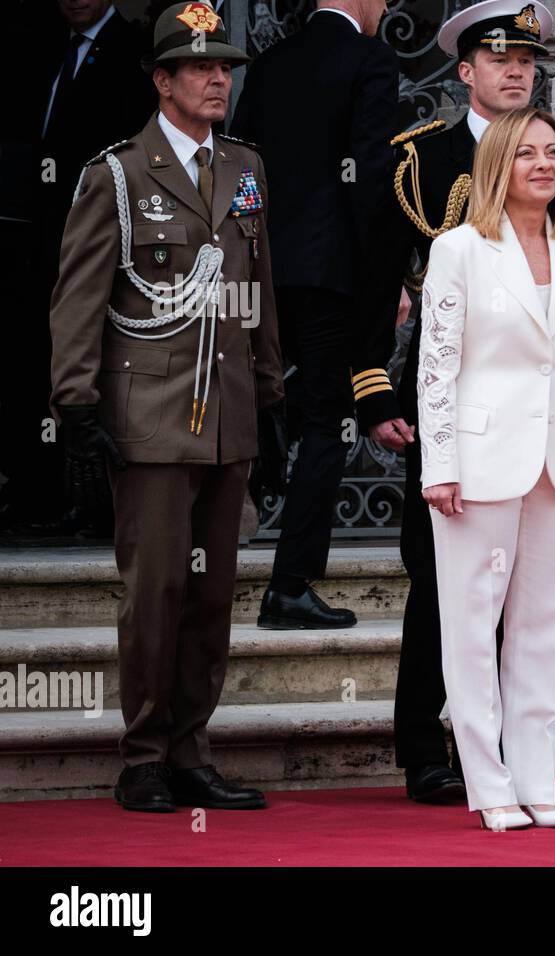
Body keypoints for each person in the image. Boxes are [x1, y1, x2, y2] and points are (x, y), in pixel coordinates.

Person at [47, 2, 286, 813]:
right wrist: (74, 404)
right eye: (201, 67)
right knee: (155, 593)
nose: (218, 79)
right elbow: (78, 299)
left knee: (212, 593)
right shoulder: (115, 174)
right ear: (162, 80)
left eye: (226, 68)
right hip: (148, 416)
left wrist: (271, 394)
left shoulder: (246, 168)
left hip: (228, 416)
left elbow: (253, 293)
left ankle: (192, 751)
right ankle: (143, 754)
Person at [358, 0, 555, 805]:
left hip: (540, 421)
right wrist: (371, 389)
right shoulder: (417, 158)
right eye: (498, 60)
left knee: (526, 599)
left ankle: (500, 753)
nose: (516, 71)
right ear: (465, 72)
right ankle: (428, 744)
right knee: (443, 583)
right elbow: (375, 281)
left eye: (525, 61)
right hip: (449, 400)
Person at [418, 107, 555, 831]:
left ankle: (537, 781)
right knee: (473, 626)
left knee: (542, 626)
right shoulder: (460, 250)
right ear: (497, 164)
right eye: (527, 152)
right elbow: (435, 368)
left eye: (553, 153)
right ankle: (489, 785)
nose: (544, 164)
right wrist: (437, 464)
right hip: (478, 462)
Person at [231, 0, 400, 629]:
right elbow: (371, 179)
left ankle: (210, 559)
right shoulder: (370, 59)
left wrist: (252, 245)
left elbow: (240, 164)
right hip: (331, 275)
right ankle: (289, 586)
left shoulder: (271, 62)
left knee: (252, 402)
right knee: (326, 425)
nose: (384, 6)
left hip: (264, 268)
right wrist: (382, 279)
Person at [1, 0, 154, 535]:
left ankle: (95, 503)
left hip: (102, 237)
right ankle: (38, 493)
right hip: (38, 240)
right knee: (39, 362)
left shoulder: (133, 54)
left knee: (99, 365)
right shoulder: (43, 48)